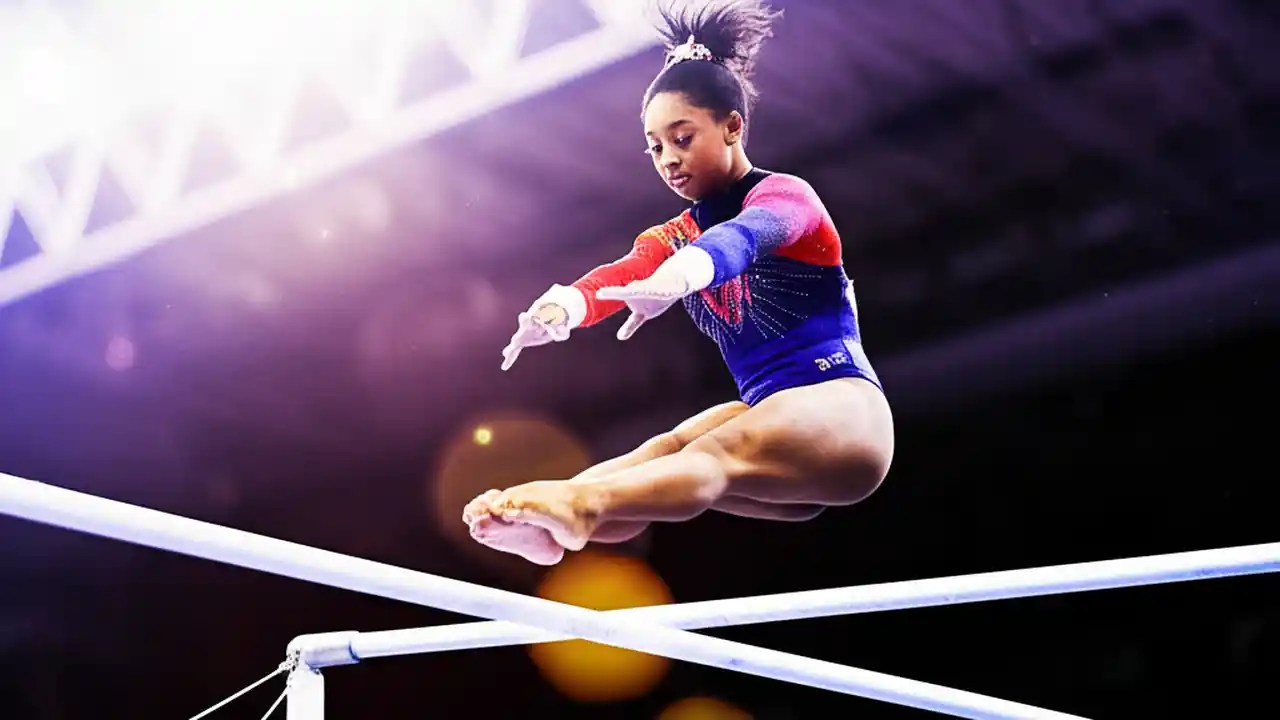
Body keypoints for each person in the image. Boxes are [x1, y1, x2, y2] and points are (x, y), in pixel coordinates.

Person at [463, 0, 894, 566]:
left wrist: (678, 278)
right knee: (665, 450)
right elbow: (620, 274)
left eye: (682, 137)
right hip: (775, 420)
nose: (668, 158)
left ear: (732, 126)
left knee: (714, 449)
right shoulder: (675, 234)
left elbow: (741, 240)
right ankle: (554, 528)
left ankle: (582, 506)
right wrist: (561, 311)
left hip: (842, 414)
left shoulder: (788, 198)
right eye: (655, 146)